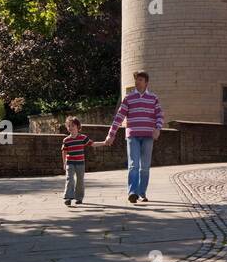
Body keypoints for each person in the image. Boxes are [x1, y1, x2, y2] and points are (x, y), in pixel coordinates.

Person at [100, 70, 164, 204]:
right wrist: (111, 135)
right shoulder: (128, 98)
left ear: (146, 82)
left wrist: (157, 128)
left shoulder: (153, 98)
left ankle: (142, 192)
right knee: (133, 165)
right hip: (133, 136)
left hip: (148, 136)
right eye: (136, 79)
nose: (137, 82)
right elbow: (119, 117)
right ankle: (132, 192)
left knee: (144, 167)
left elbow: (159, 115)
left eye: (140, 80)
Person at [61, 117, 90, 206]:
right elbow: (64, 151)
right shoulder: (66, 140)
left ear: (77, 126)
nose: (70, 128)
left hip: (80, 163)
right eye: (68, 126)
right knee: (69, 179)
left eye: (72, 125)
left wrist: (104, 143)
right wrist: (64, 162)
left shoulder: (83, 137)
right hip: (70, 162)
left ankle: (79, 198)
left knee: (80, 180)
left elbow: (92, 144)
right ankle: (68, 198)